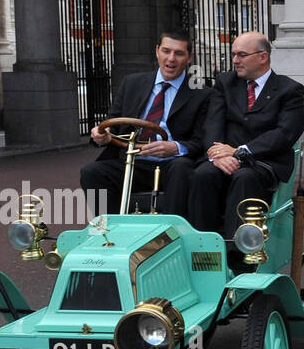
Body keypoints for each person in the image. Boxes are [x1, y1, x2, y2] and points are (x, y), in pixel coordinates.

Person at [186, 31, 304, 239]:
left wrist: (240, 151)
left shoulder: (290, 90)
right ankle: (201, 243)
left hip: (264, 162)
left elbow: (285, 134)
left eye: (241, 55)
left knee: (244, 177)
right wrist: (217, 156)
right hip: (223, 158)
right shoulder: (225, 83)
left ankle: (238, 247)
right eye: (233, 54)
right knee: (202, 174)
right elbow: (213, 122)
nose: (235, 60)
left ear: (263, 57)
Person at [81, 30, 208, 217]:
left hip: (173, 164)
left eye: (179, 53)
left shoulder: (202, 93)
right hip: (133, 161)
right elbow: (112, 123)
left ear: (190, 57)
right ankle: (109, 229)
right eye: (166, 51)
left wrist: (175, 147)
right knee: (91, 172)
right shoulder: (131, 83)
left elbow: (202, 141)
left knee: (181, 169)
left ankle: (171, 230)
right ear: (157, 51)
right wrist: (101, 134)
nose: (171, 59)